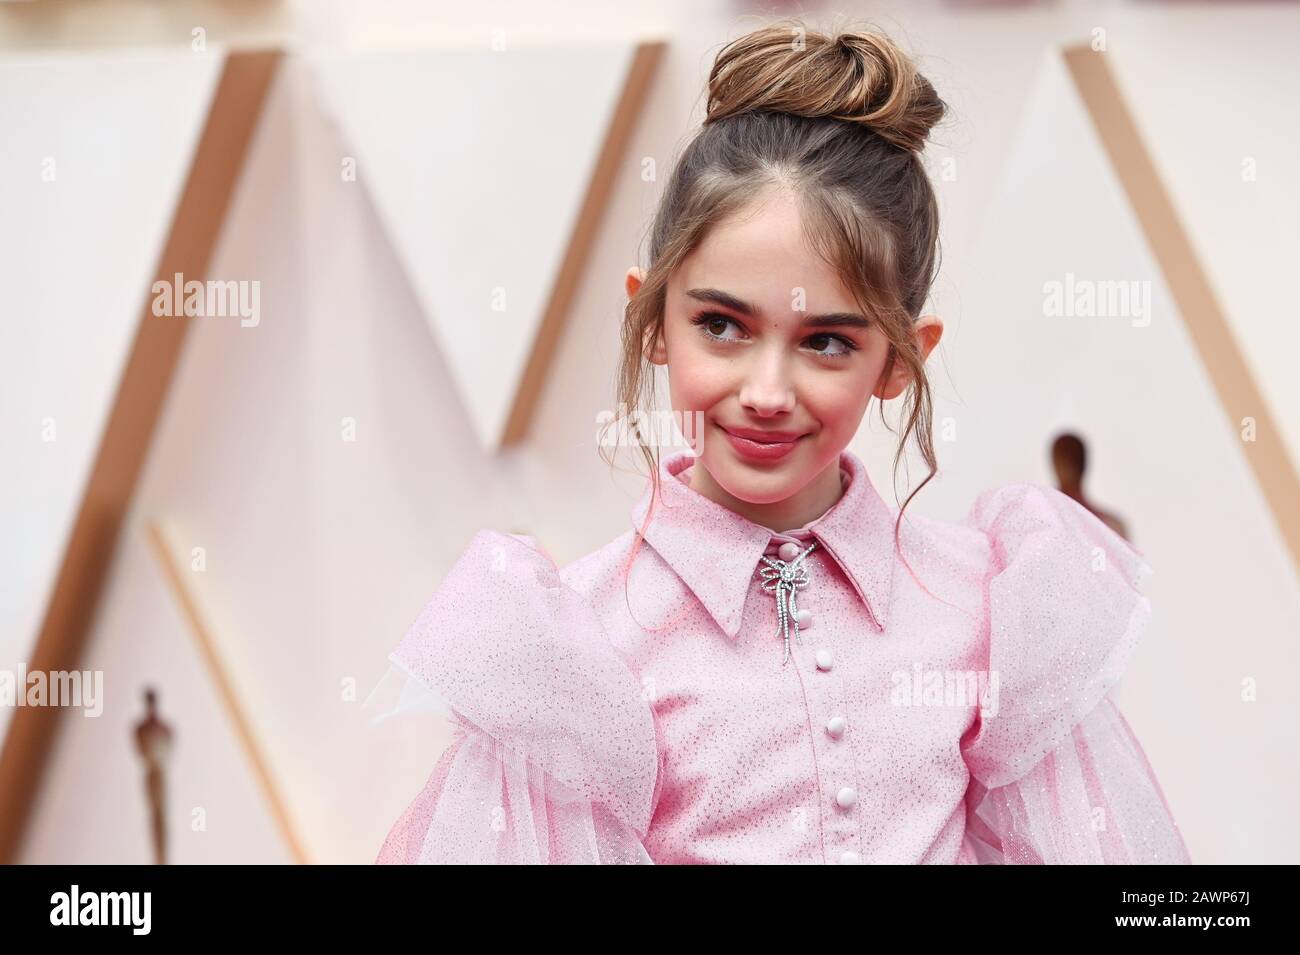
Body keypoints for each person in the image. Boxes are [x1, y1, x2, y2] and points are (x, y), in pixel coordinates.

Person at [368, 18, 1191, 864]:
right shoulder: (576, 654)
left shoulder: (988, 611)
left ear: (902, 359)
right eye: (721, 324)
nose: (766, 394)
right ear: (652, 318)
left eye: (827, 341)